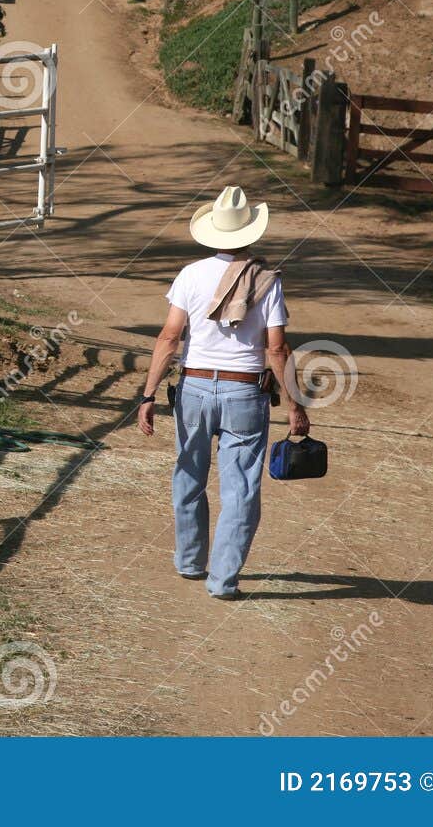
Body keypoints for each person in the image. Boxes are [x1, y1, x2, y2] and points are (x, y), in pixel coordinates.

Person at [137, 186, 308, 600]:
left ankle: (191, 561)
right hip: (245, 393)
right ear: (250, 233)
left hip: (194, 387)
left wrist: (148, 394)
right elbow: (276, 348)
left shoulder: (190, 275)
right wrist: (294, 404)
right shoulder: (268, 281)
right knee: (242, 489)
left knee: (188, 475)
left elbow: (170, 336)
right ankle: (223, 580)